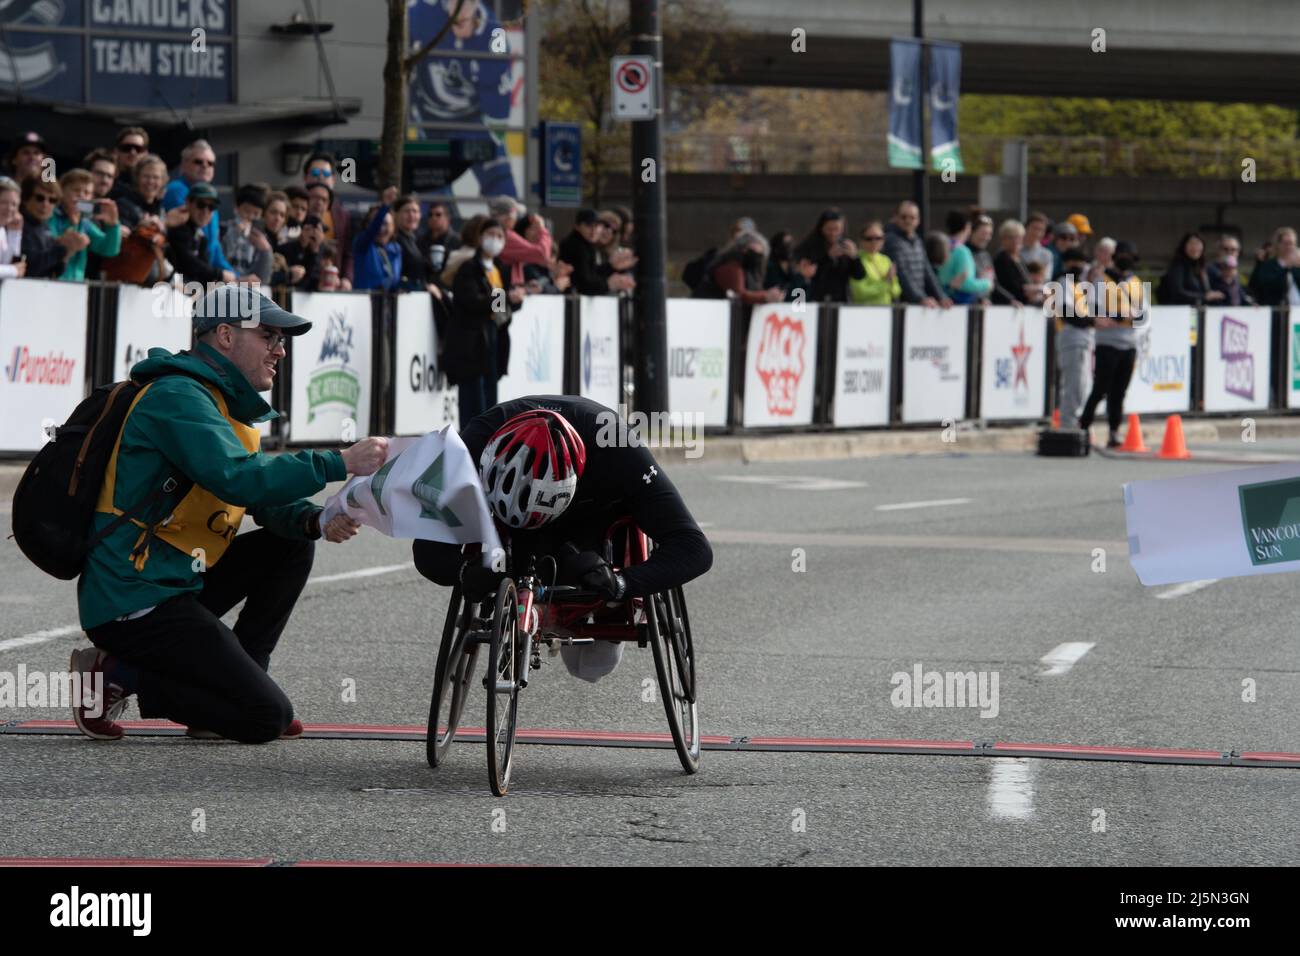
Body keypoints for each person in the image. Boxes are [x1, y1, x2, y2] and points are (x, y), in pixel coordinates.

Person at [70, 285, 388, 743]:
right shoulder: (177, 397)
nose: (280, 350)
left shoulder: (221, 402)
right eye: (268, 336)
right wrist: (338, 461)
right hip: (135, 600)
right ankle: (115, 673)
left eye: (282, 340)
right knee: (264, 719)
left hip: (180, 582)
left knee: (293, 545)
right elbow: (237, 477)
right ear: (224, 335)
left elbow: (260, 499)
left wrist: (316, 520)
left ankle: (236, 685)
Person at [411, 398, 712, 682]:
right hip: (506, 532)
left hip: (588, 516)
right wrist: (465, 571)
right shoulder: (469, 447)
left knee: (591, 666)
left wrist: (622, 584)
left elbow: (694, 548)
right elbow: (427, 548)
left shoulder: (619, 449)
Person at [445, 218, 523, 426]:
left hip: (493, 336)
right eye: (491, 235)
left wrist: (515, 299)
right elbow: (472, 301)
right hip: (472, 341)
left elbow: (499, 307)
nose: (495, 240)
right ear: (480, 238)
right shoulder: (469, 268)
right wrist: (505, 297)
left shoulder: (500, 269)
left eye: (500, 236)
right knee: (473, 398)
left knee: (489, 397)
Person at [1080, 241, 1144, 448]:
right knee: (1100, 389)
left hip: (1129, 344)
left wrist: (1124, 316)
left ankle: (1114, 432)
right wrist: (1122, 315)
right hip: (1107, 343)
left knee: (1119, 393)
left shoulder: (1136, 283)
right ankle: (1083, 426)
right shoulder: (1102, 281)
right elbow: (1095, 310)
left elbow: (1142, 315)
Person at [162, 139, 238, 278]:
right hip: (181, 277)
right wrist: (220, 274)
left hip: (202, 274)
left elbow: (214, 248)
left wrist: (233, 275)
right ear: (184, 164)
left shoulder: (210, 197)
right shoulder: (177, 190)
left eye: (210, 163)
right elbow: (185, 243)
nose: (205, 166)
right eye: (198, 161)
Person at [48, 168, 122, 283]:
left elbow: (109, 250)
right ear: (62, 192)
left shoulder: (85, 222)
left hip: (77, 286)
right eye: (76, 190)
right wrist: (71, 228)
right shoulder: (51, 214)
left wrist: (113, 225)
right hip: (49, 281)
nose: (81, 195)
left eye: (86, 193)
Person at [1051, 247, 1093, 430]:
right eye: (1074, 261)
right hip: (1070, 338)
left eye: (1081, 261)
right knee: (1073, 385)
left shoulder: (1079, 285)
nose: (1078, 265)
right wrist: (1092, 321)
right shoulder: (1063, 282)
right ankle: (1067, 424)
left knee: (1081, 386)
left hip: (1083, 340)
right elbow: (1066, 312)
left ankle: (1072, 422)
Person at [166, 182, 234, 285]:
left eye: (211, 207)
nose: (205, 211)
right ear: (188, 203)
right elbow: (188, 263)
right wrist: (220, 274)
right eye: (201, 205)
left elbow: (203, 273)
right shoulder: (178, 229)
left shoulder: (200, 235)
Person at [883, 201, 949, 307]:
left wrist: (941, 296)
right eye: (903, 217)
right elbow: (901, 273)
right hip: (902, 304)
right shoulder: (891, 240)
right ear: (896, 217)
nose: (908, 221)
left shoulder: (917, 240)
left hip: (917, 302)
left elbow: (927, 271)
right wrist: (920, 298)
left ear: (918, 220)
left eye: (912, 217)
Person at [792, 207, 865, 302]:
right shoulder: (809, 246)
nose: (833, 233)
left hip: (840, 300)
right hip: (814, 298)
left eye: (837, 229)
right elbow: (811, 274)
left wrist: (855, 257)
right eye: (829, 229)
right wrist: (828, 257)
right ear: (822, 228)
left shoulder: (845, 246)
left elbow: (859, 275)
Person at [302, 153, 354, 281]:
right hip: (301, 282)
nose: (320, 177)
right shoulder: (294, 208)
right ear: (305, 177)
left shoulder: (342, 215)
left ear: (333, 180)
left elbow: (348, 253)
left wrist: (347, 278)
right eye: (314, 172)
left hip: (332, 285)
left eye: (325, 174)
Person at [692, 231, 783, 304]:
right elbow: (739, 294)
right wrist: (765, 296)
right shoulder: (731, 265)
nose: (757, 257)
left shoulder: (749, 270)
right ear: (743, 249)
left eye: (760, 255)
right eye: (755, 251)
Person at [559, 208, 635, 295]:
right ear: (577, 226)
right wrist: (609, 284)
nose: (593, 230)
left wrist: (611, 266)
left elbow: (591, 274)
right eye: (588, 225)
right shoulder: (576, 246)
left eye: (596, 226)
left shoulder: (587, 245)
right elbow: (585, 283)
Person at [352, 187, 404, 293]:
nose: (381, 228)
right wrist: (385, 206)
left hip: (388, 305)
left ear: (393, 227)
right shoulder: (362, 245)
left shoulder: (396, 249)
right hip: (363, 303)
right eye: (377, 224)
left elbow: (394, 281)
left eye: (385, 224)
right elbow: (372, 230)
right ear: (367, 226)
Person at [19, 175, 71, 279]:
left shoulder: (45, 228)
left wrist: (68, 251)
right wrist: (61, 249)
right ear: (26, 199)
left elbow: (55, 272)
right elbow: (29, 268)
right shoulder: (17, 225)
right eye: (40, 198)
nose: (45, 204)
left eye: (52, 200)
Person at [220, 183, 273, 285]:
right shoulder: (222, 230)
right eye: (246, 211)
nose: (250, 217)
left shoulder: (261, 238)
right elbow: (219, 262)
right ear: (236, 207)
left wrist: (266, 250)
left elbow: (264, 278)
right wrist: (235, 235)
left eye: (256, 214)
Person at [937, 209, 991, 304]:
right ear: (967, 227)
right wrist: (987, 283)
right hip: (958, 306)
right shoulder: (962, 251)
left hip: (943, 300)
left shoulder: (942, 246)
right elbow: (965, 284)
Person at [1159, 232, 1222, 305]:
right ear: (1184, 246)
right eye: (1191, 243)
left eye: (1198, 243)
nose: (1195, 247)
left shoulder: (1203, 268)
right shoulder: (1178, 266)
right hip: (1178, 311)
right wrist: (1204, 297)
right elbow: (1177, 292)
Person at [847, 220, 900, 305]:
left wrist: (890, 282)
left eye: (878, 238)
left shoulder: (885, 260)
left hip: (886, 311)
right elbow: (860, 292)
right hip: (865, 312)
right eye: (869, 239)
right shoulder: (856, 260)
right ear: (861, 240)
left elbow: (896, 291)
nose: (874, 242)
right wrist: (886, 283)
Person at [1246, 227, 1300, 307]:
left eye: (1292, 243)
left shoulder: (1297, 266)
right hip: (1276, 311)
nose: (1289, 247)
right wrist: (1286, 267)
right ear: (1278, 245)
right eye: (1286, 243)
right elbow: (1269, 287)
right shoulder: (1267, 266)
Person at [992, 219, 1035, 305]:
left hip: (1024, 304)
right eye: (1011, 237)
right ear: (1003, 239)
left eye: (1018, 237)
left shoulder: (1020, 258)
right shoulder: (1000, 259)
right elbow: (1000, 286)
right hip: (1008, 306)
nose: (1016, 241)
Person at [109, 127, 150, 202]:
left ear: (145, 153)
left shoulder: (150, 184)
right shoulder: (107, 180)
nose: (132, 152)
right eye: (127, 148)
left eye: (138, 149)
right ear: (116, 151)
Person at [0, 178, 26, 280]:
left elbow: (7, 263)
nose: (10, 208)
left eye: (14, 204)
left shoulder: (2, 230)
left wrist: (15, 233)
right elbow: (12, 269)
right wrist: (13, 270)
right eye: (4, 202)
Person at [1019, 211, 1053, 278]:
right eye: (1034, 228)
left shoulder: (1046, 254)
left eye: (1041, 230)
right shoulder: (1014, 250)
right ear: (1026, 228)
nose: (1037, 233)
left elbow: (1046, 278)